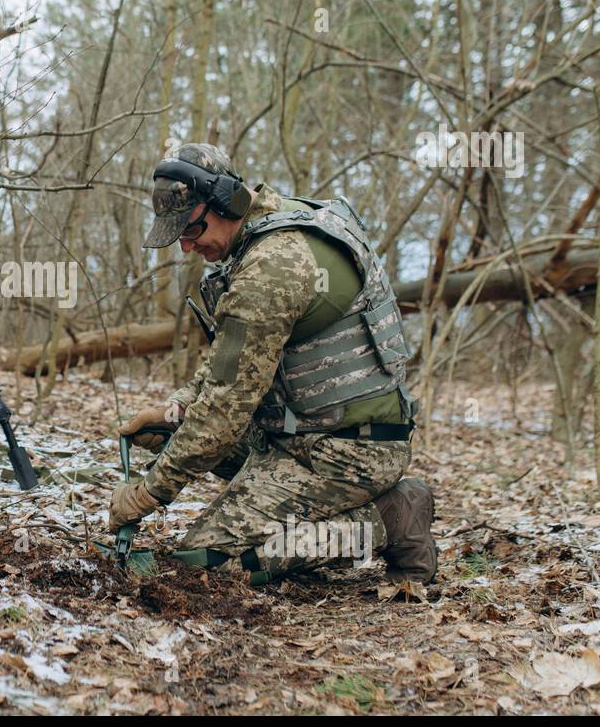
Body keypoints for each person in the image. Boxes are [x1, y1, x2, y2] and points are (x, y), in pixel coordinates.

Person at [111, 142, 437, 586]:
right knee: (176, 436)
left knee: (207, 565)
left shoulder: (272, 268)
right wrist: (175, 411)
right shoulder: (264, 233)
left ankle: (388, 517)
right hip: (305, 430)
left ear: (226, 201)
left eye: (190, 231)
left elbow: (224, 415)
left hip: (348, 451)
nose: (187, 246)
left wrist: (149, 494)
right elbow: (229, 367)